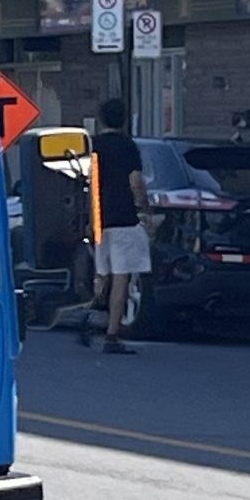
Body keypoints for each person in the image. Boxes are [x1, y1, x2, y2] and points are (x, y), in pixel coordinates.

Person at [89, 98, 152, 354]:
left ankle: (90, 314)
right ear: (124, 119)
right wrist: (145, 208)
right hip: (124, 218)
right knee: (121, 276)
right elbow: (135, 180)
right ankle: (112, 334)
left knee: (102, 272)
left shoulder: (93, 145)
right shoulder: (127, 146)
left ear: (101, 118)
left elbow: (88, 181)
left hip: (98, 218)